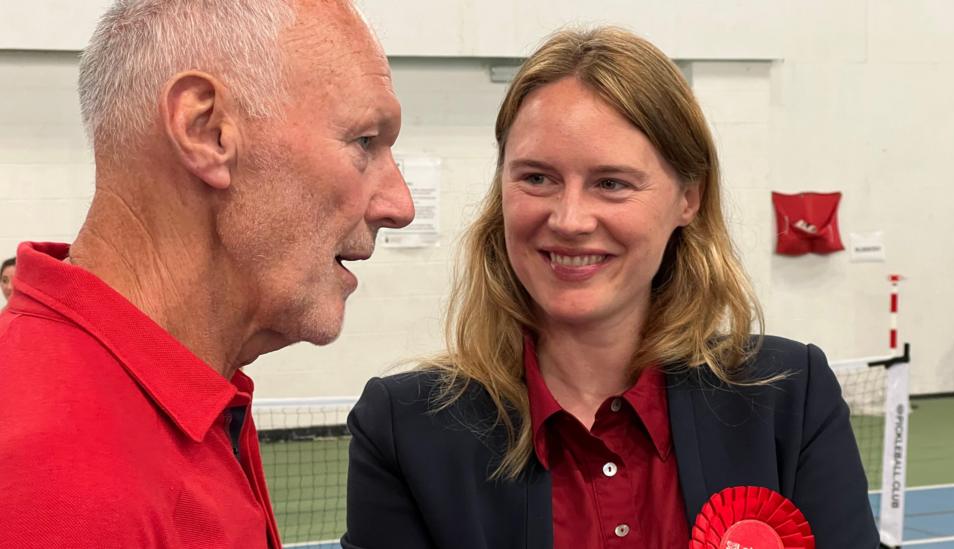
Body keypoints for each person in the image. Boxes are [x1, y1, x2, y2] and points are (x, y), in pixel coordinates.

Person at [343, 27, 878, 549]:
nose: (570, 219)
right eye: (536, 178)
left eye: (612, 183)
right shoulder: (402, 430)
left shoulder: (788, 399)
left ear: (687, 199)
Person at [0, 1, 413, 547]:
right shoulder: (56, 479)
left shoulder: (166, 400)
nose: (399, 204)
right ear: (206, 130)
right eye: (365, 142)